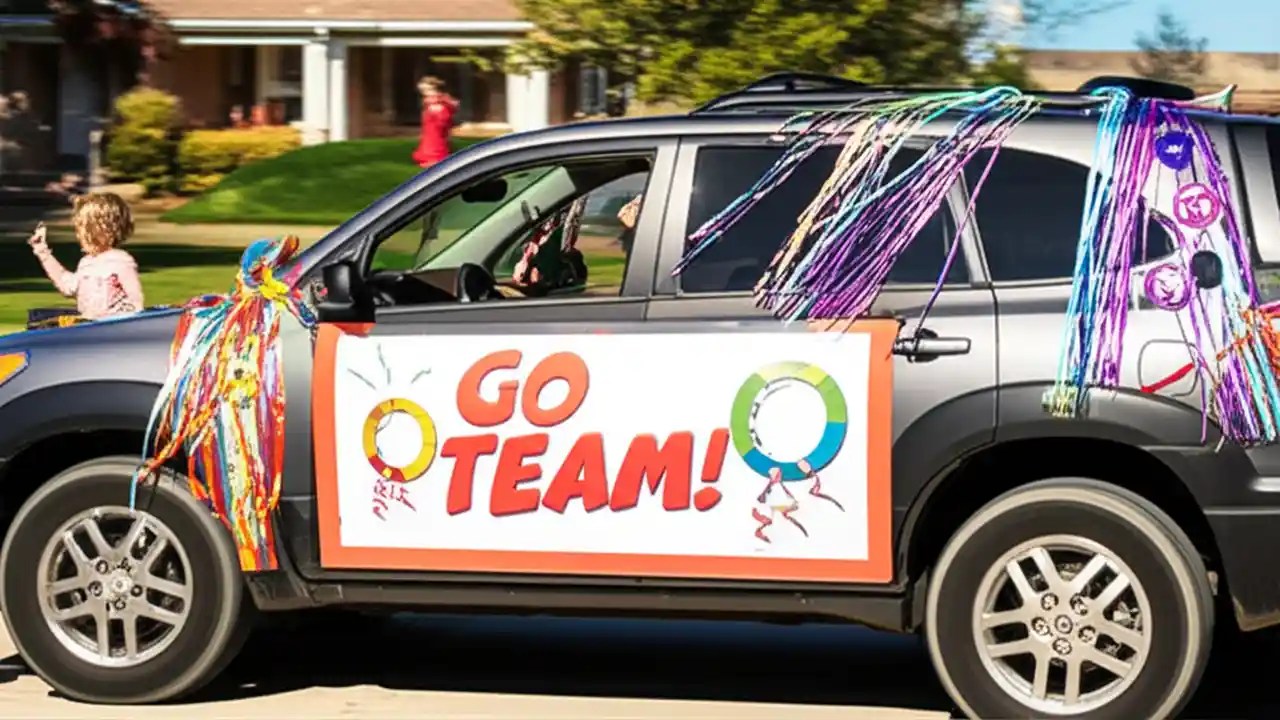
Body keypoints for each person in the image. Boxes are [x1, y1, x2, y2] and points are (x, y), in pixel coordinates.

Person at [28, 192, 145, 320]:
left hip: (114, 332)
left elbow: (136, 304)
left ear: (105, 229)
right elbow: (67, 286)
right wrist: (42, 252)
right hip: (90, 332)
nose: (79, 235)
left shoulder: (121, 262)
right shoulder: (86, 263)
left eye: (85, 229)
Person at [411, 76, 459, 169]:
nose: (424, 93)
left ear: (432, 88)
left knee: (434, 156)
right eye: (422, 91)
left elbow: (443, 121)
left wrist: (436, 112)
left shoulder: (437, 103)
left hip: (435, 135)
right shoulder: (433, 101)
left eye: (425, 90)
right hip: (431, 133)